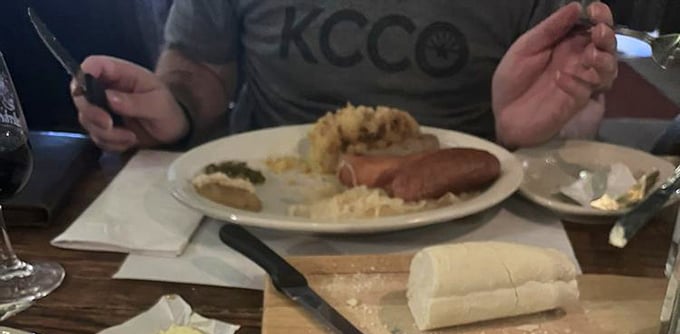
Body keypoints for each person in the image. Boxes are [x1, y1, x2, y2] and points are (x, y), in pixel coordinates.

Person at [72, 1, 617, 153]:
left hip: (468, 216)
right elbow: (198, 69)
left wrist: (538, 137)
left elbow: (575, 113)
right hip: (260, 223)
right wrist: (174, 109)